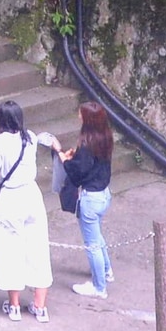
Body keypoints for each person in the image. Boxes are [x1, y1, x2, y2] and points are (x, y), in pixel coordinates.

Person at [0, 98, 60, 321]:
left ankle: (15, 305)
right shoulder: (30, 138)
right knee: (37, 249)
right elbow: (45, 138)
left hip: (9, 198)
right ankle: (40, 307)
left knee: (10, 250)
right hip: (32, 196)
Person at [64, 101, 117, 298]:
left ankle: (99, 287)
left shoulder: (87, 144)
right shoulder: (105, 137)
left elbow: (77, 174)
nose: (78, 115)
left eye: (81, 113)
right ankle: (106, 270)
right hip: (103, 194)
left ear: (87, 119)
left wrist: (65, 160)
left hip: (90, 199)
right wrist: (75, 156)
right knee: (97, 237)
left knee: (92, 244)